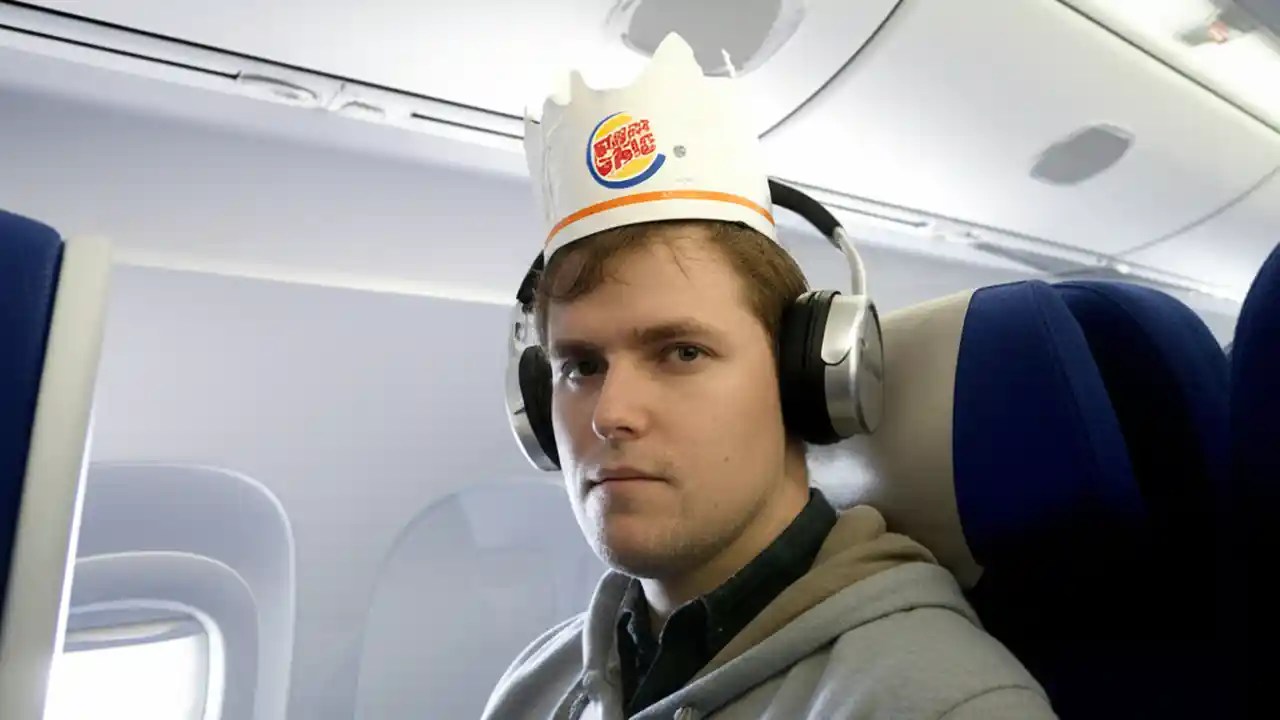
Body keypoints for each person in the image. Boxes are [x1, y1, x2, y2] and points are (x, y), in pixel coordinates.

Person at [482, 33, 1056, 720]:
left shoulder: (945, 704)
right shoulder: (533, 688)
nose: (610, 414)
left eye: (681, 352)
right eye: (580, 366)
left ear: (801, 380)